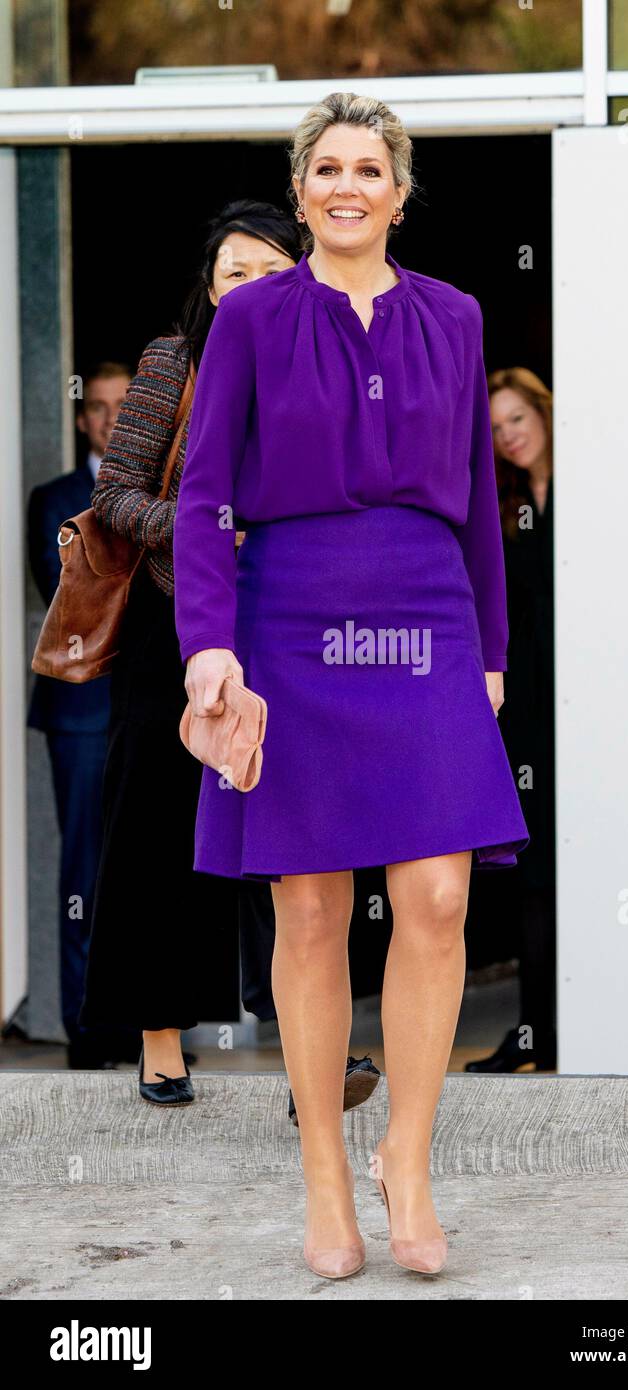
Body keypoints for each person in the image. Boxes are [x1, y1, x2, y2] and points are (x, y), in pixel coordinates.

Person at [172, 92, 529, 1278]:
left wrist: (489, 649)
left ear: (398, 190)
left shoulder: (457, 316)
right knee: (311, 907)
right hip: (288, 619)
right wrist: (208, 643)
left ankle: (407, 1161)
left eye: (367, 168)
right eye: (324, 167)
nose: (345, 185)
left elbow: (478, 497)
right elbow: (205, 489)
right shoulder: (253, 321)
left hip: (428, 617)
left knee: (434, 898)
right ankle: (325, 1172)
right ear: (300, 188)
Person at [78, 202, 302, 1102]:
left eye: (268, 268)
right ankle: (162, 1040)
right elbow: (115, 494)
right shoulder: (177, 360)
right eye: (231, 271)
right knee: (156, 836)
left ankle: (308, 1056)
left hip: (288, 632)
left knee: (294, 845)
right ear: (208, 290)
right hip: (172, 633)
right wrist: (209, 533)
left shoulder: (328, 363)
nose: (249, 284)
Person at [27, 361, 141, 1069]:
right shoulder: (55, 499)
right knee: (84, 874)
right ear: (81, 419)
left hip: (151, 706)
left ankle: (144, 1021)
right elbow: (68, 589)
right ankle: (85, 1029)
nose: (107, 417)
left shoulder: (168, 488)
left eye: (121, 404)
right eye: (95, 408)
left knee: (143, 870)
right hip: (80, 712)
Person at [467, 367, 556, 1074]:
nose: (508, 437)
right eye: (497, 429)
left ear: (545, 413)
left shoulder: (594, 488)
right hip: (526, 701)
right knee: (533, 867)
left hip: (593, 697)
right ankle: (534, 1031)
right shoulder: (500, 504)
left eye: (517, 420)